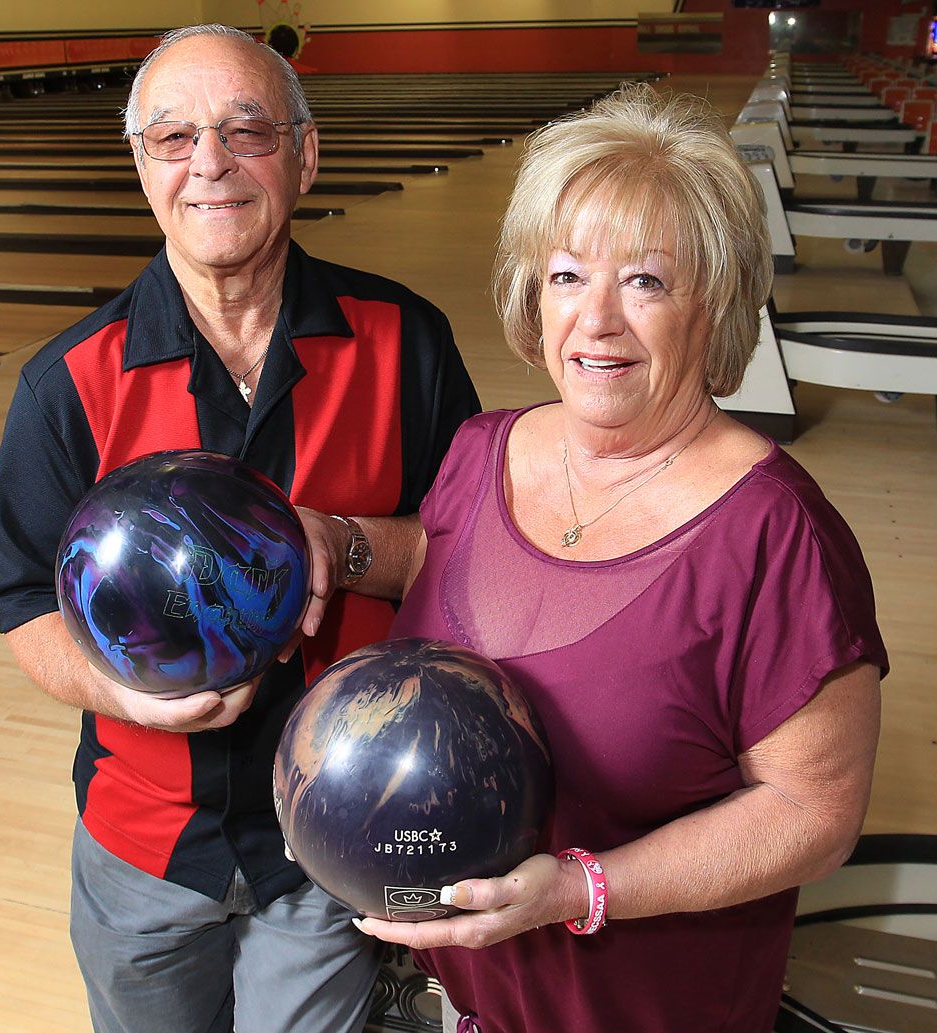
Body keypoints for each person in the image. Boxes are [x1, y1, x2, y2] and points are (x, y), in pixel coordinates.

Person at [355, 84, 886, 1033]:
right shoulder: (483, 449)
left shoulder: (776, 536)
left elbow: (813, 814)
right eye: (566, 275)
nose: (597, 319)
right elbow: (449, 572)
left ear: (712, 304)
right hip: (474, 1005)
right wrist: (334, 544)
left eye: (645, 280)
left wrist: (577, 888)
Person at [0, 23, 478, 1033]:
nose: (207, 162)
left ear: (304, 153)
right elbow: (28, 603)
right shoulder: (67, 385)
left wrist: (340, 544)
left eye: (244, 130)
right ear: (141, 166)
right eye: (171, 138)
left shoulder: (404, 341)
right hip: (145, 840)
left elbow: (475, 554)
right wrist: (120, 689)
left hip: (341, 831)